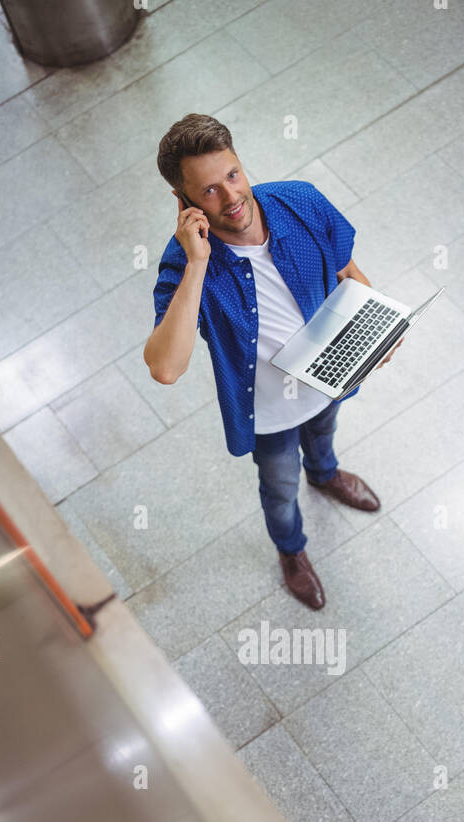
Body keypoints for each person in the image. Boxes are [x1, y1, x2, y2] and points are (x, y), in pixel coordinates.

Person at [143, 113, 401, 610]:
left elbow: (348, 271)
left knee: (324, 434)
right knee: (280, 487)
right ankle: (292, 551)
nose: (232, 196)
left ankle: (325, 475)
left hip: (329, 378)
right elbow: (165, 367)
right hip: (268, 414)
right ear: (184, 202)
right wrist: (197, 262)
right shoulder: (184, 263)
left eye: (233, 175)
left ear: (242, 164)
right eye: (209, 191)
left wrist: (375, 329)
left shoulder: (299, 201)